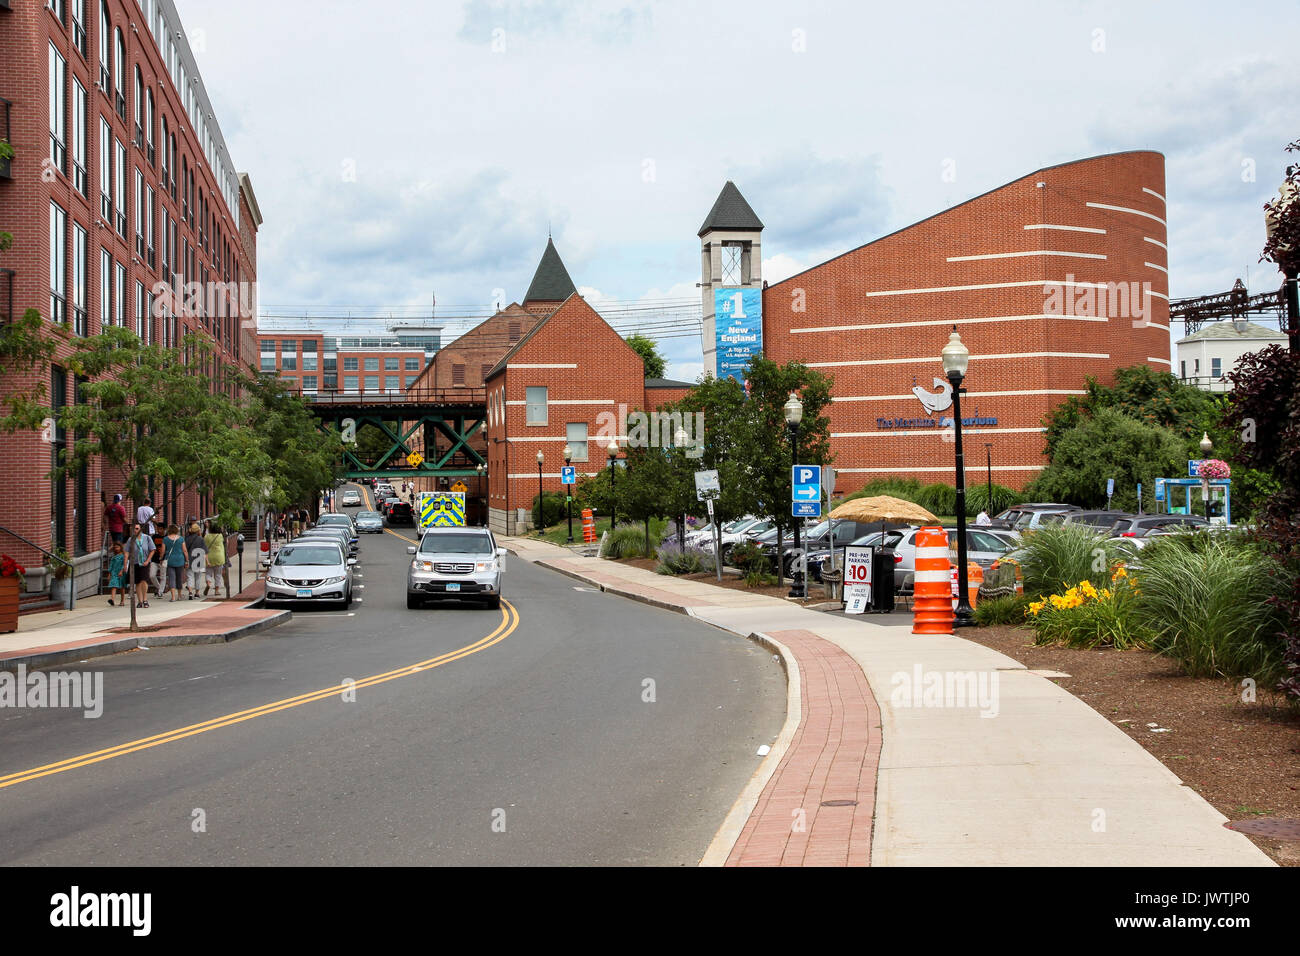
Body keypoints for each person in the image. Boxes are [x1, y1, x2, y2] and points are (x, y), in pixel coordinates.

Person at [162, 524, 188, 602]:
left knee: (171, 578)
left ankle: (173, 597)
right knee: (179, 578)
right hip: (180, 560)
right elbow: (185, 550)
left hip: (170, 560)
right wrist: (187, 560)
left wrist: (161, 558)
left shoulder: (165, 539)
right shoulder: (181, 539)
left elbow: (163, 551)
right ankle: (179, 595)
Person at [130, 524, 153, 608]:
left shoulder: (147, 538)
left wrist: (147, 560)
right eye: (134, 529)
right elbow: (126, 551)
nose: (135, 530)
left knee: (144, 580)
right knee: (138, 582)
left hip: (144, 562)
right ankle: (139, 601)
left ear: (140, 529)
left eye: (137, 528)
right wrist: (126, 563)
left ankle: (145, 599)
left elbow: (152, 549)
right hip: (135, 562)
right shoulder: (131, 539)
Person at [203, 522, 226, 597]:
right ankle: (216, 591)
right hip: (219, 557)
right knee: (218, 575)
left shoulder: (207, 536)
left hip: (209, 557)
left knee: (208, 573)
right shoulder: (220, 536)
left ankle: (208, 583)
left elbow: (204, 545)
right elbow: (226, 542)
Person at [184, 522, 206, 599]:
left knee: (190, 577)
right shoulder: (200, 539)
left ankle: (190, 592)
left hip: (189, 559)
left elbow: (184, 550)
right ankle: (197, 593)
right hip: (199, 560)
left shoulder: (186, 539)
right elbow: (204, 551)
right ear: (197, 531)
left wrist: (185, 560)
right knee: (198, 577)